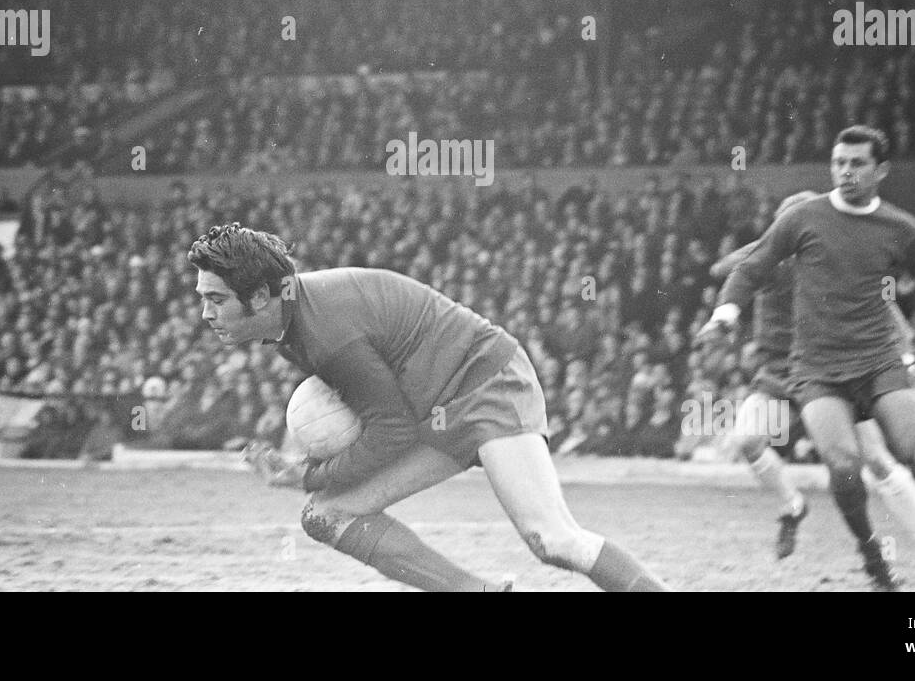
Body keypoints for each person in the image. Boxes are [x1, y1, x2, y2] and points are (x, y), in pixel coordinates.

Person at [189, 222, 668, 592]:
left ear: (258, 296)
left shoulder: (327, 334)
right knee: (326, 515)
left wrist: (306, 475)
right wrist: (310, 470)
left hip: (486, 386)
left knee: (553, 540)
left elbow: (389, 432)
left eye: (215, 299)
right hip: (432, 410)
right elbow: (379, 415)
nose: (206, 313)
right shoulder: (290, 318)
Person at [697, 125, 915, 591]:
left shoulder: (901, 228)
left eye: (857, 164)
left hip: (878, 363)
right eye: (839, 163)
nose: (846, 172)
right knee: (843, 467)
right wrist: (724, 315)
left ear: (881, 171)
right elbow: (748, 268)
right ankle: (872, 557)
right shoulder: (803, 219)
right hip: (815, 370)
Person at [708, 190, 915, 578]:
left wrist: (904, 354)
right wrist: (762, 249)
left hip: (831, 369)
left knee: (876, 460)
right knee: (747, 439)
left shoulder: (834, 265)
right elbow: (721, 270)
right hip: (778, 370)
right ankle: (792, 507)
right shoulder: (767, 260)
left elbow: (884, 310)